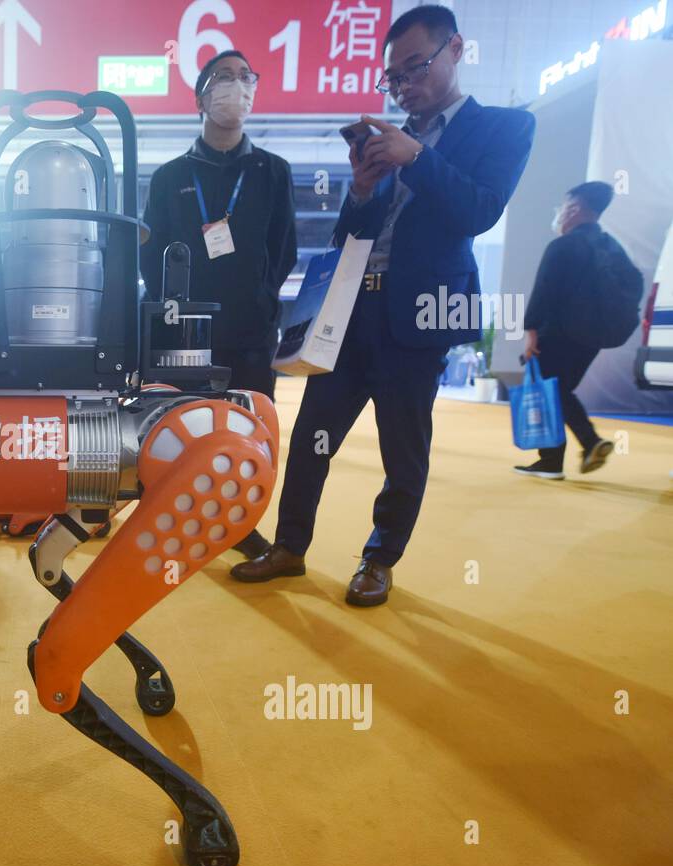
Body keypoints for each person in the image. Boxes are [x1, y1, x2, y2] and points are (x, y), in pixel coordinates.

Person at [231, 4, 534, 607]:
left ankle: (378, 559)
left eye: (414, 68)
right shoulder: (393, 139)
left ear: (455, 50)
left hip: (419, 314)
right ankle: (290, 546)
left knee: (403, 446)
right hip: (350, 314)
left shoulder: (503, 127)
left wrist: (416, 158)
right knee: (314, 433)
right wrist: (363, 190)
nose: (403, 86)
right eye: (392, 78)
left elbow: (479, 210)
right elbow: (353, 234)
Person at [140, 47, 297, 557]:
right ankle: (176, 514)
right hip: (184, 331)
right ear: (200, 97)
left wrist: (257, 295)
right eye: (223, 77)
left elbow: (284, 249)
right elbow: (151, 252)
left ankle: (238, 525)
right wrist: (170, 310)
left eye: (244, 77)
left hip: (252, 329)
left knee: (249, 430)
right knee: (181, 424)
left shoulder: (273, 171)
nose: (236, 86)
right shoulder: (170, 177)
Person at [514, 181, 620, 479]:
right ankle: (560, 456)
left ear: (573, 208)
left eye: (563, 206)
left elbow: (543, 292)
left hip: (558, 333)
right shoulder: (611, 247)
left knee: (552, 390)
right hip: (593, 337)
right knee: (559, 391)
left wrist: (531, 333)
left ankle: (577, 448)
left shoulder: (563, 245)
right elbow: (631, 285)